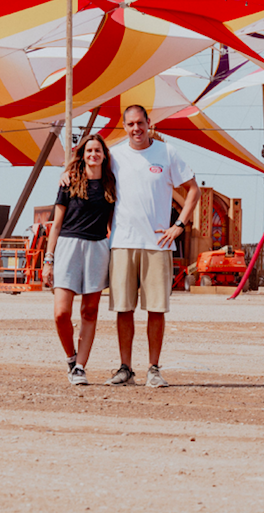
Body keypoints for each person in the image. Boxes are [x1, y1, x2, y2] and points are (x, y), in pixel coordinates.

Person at [105, 104, 199, 388]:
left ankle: (153, 369)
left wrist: (178, 225)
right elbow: (92, 177)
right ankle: (125, 368)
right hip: (123, 242)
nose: (136, 129)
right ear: (124, 127)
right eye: (130, 124)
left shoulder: (167, 152)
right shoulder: (114, 156)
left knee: (156, 309)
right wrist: (66, 175)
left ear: (149, 123)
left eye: (140, 123)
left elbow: (193, 190)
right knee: (124, 308)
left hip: (158, 244)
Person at [43, 135, 116, 386]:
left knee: (90, 311)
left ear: (104, 155)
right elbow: (56, 225)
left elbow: (113, 223)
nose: (93, 154)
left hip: (98, 248)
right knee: (61, 313)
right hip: (68, 246)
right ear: (83, 155)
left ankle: (80, 367)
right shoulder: (69, 182)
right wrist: (48, 259)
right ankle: (71, 357)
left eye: (98, 150)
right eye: (89, 150)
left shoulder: (111, 185)